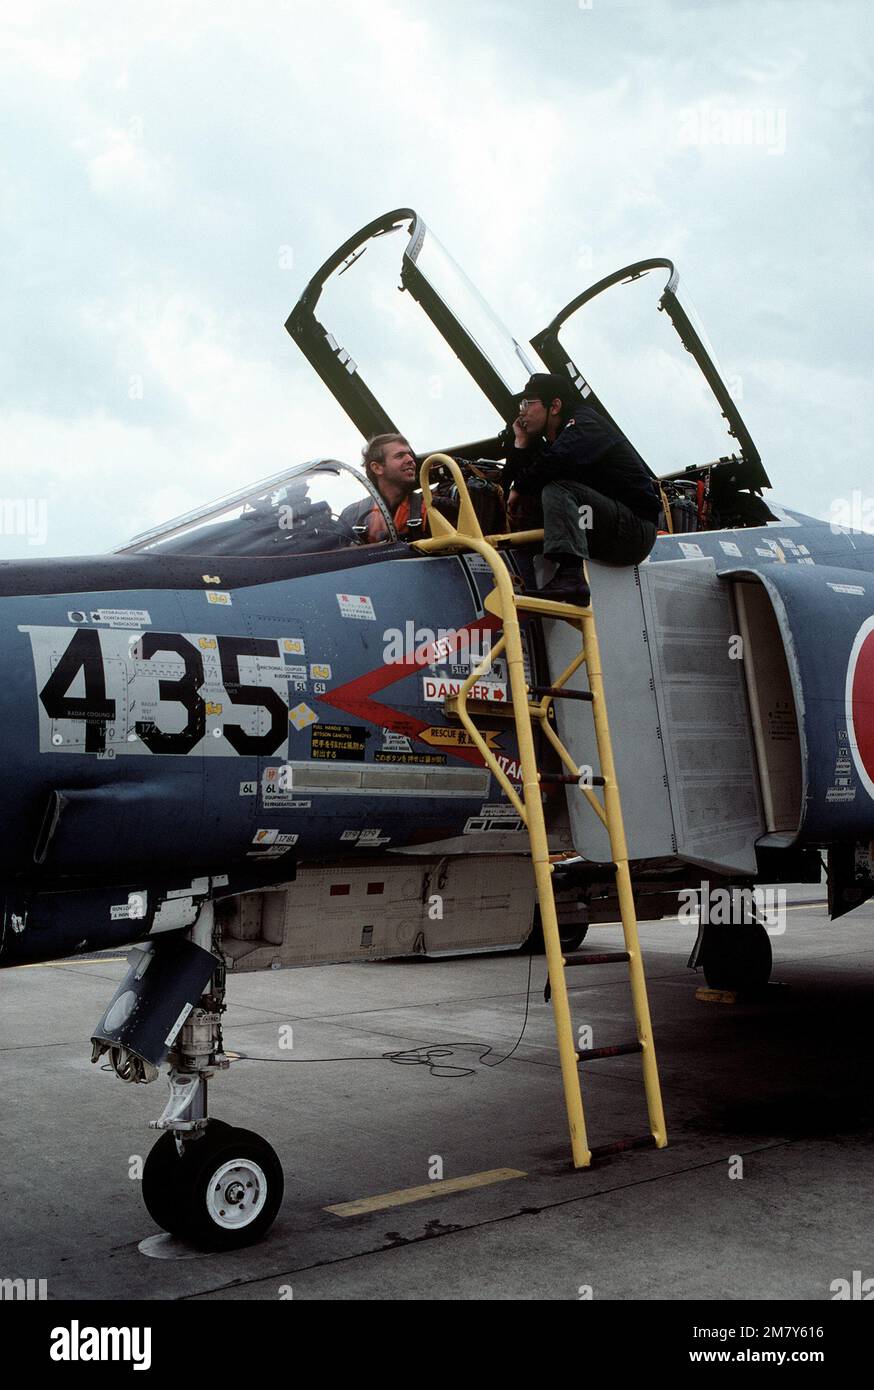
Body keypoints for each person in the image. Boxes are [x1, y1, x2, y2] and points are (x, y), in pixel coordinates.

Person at [504, 373, 660, 603]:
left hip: (635, 531)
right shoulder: (555, 441)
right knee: (540, 495)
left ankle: (571, 577)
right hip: (604, 526)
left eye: (528, 403)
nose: (521, 411)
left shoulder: (585, 424)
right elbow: (520, 479)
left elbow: (555, 463)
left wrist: (520, 487)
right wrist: (520, 444)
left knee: (558, 488)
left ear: (554, 405)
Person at [341, 434, 425, 543]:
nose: (411, 460)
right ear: (377, 468)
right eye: (400, 456)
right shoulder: (352, 516)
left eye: (410, 454)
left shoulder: (430, 508)